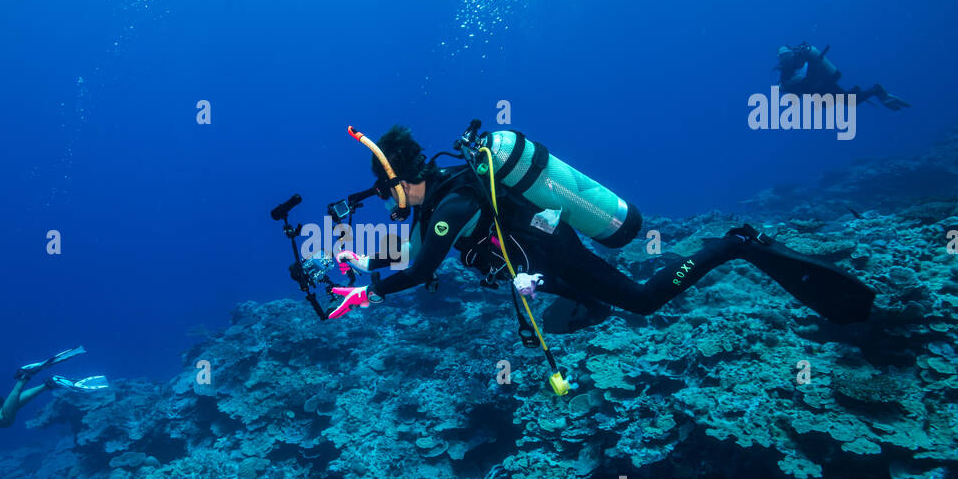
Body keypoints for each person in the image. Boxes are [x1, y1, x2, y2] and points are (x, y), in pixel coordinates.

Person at [325, 126, 874, 330]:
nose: (382, 199)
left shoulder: (453, 200)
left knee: (643, 301)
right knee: (559, 305)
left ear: (397, 178)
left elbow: (421, 269)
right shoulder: (433, 205)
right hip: (536, 264)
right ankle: (594, 303)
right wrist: (359, 261)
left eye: (382, 187)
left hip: (553, 250)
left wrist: (367, 292)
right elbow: (409, 252)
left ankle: (732, 245)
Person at [774, 43, 909, 110]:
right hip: (817, 90)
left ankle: (876, 89)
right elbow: (789, 89)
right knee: (829, 104)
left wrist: (792, 83)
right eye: (782, 56)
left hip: (825, 83)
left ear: (792, 53)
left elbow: (802, 77)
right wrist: (784, 87)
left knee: (850, 102)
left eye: (787, 54)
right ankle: (858, 91)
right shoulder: (785, 70)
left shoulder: (802, 60)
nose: (785, 58)